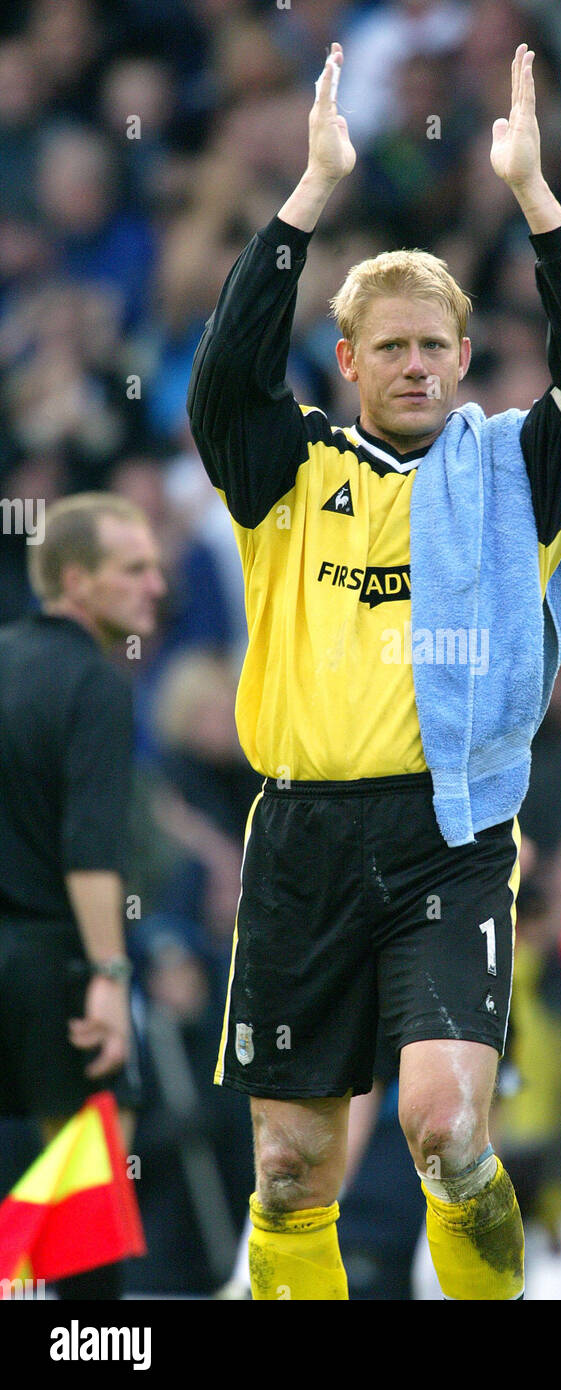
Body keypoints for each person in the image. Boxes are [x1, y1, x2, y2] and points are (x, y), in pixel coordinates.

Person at [187, 41, 561, 1301]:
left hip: (446, 835)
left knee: (443, 1128)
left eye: (436, 345)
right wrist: (309, 192)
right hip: (299, 837)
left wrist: (537, 200)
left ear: (462, 351)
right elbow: (221, 379)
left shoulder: (510, 472)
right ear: (348, 360)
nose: (418, 366)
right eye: (390, 347)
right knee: (287, 1170)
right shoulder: (287, 470)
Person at [0, 491, 166, 1298]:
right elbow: (90, 850)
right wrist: (108, 973)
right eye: (132, 569)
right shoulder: (95, 686)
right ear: (75, 580)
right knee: (88, 1211)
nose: (155, 586)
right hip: (56, 965)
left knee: (38, 1190)